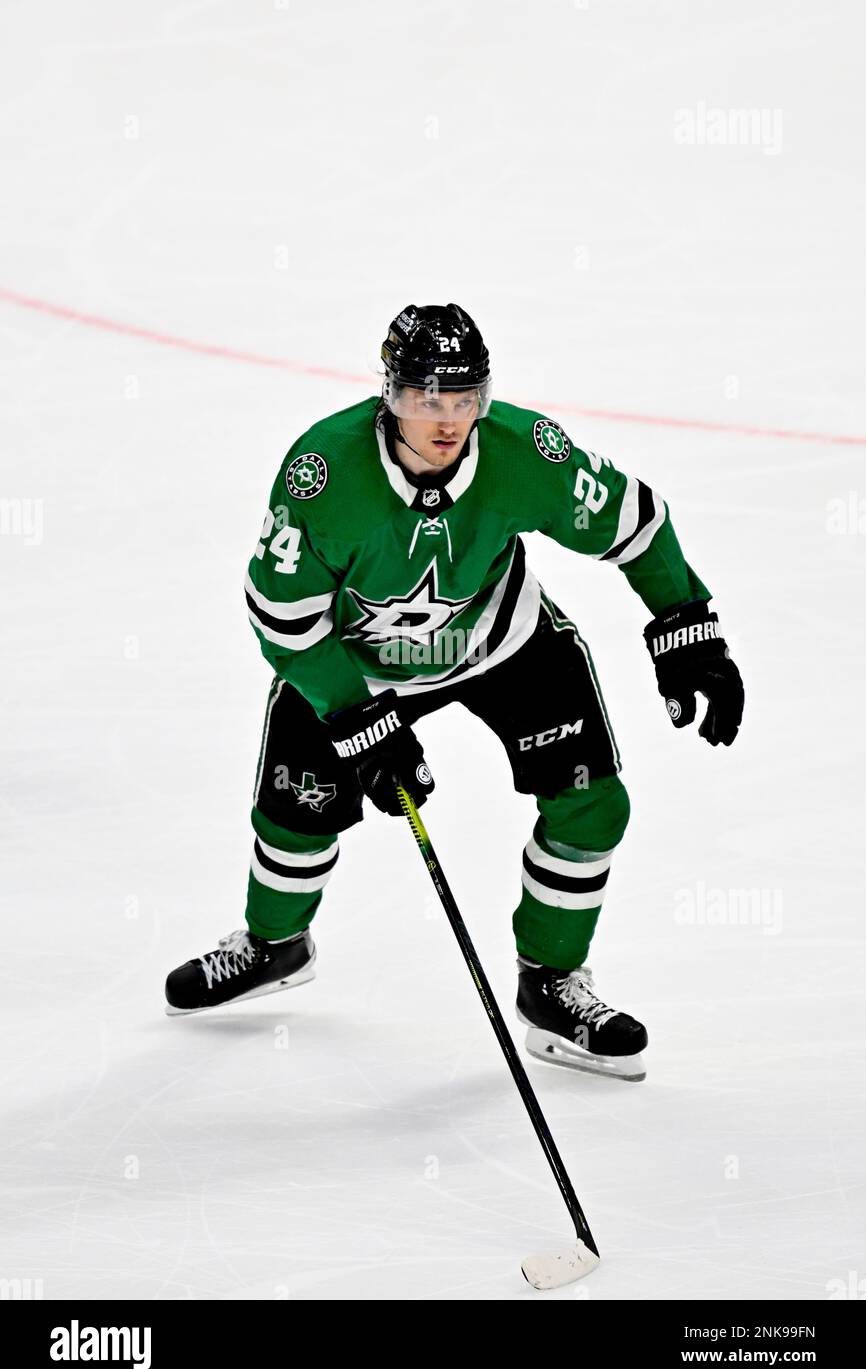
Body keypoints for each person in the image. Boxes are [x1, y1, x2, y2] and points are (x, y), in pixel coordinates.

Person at [164, 304, 744, 1081]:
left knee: (593, 803)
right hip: (356, 669)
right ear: (389, 395)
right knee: (293, 816)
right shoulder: (323, 474)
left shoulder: (521, 455)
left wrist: (686, 621)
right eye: (425, 399)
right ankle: (275, 946)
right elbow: (284, 621)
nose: (446, 421)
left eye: (465, 399)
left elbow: (632, 521)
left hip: (503, 644)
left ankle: (550, 986)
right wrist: (357, 720)